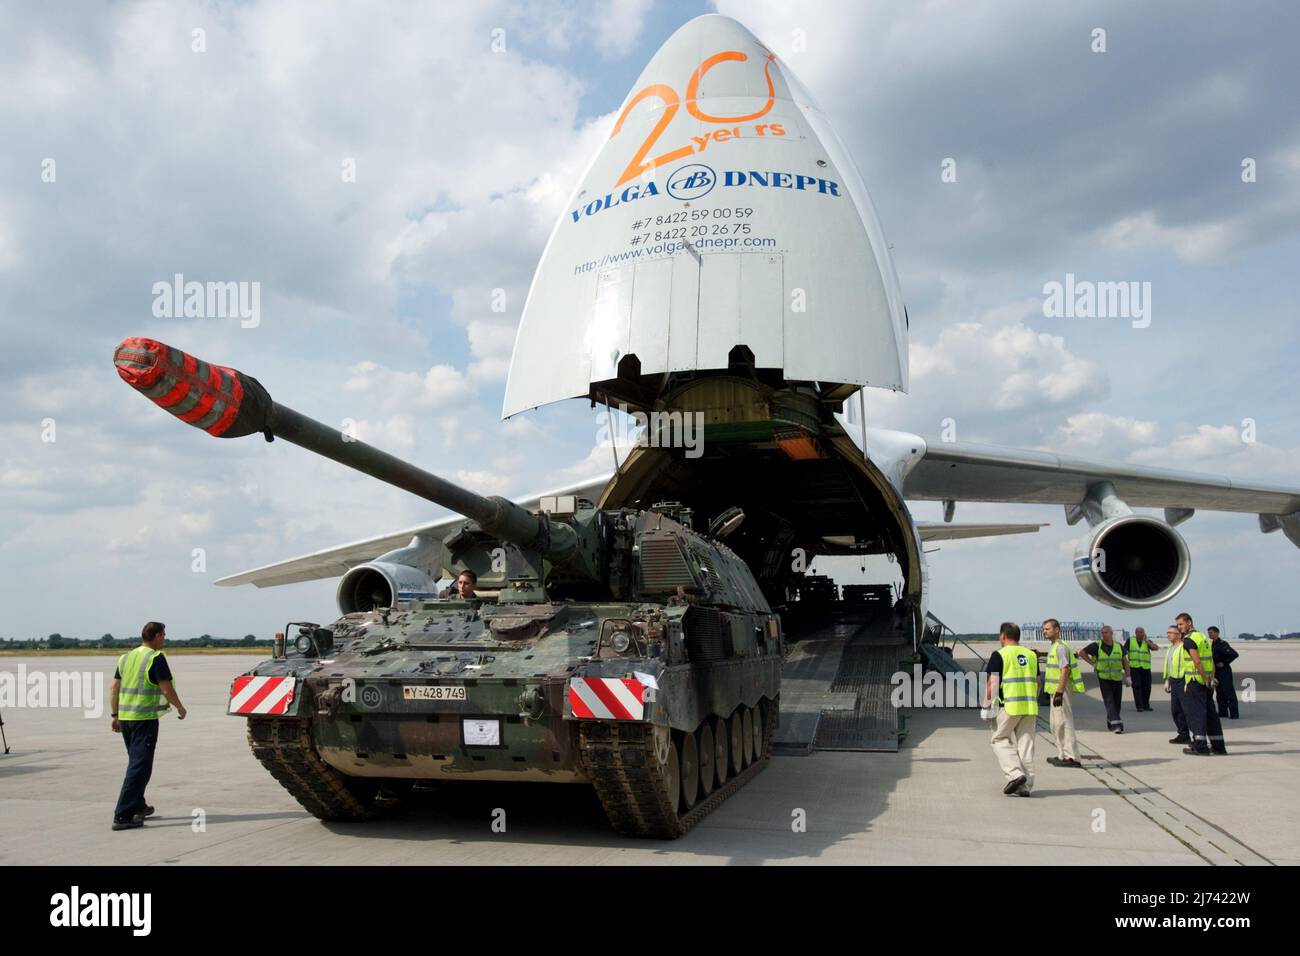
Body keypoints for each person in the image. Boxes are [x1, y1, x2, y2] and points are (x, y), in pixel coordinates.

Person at [110, 622, 187, 830]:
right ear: (157, 636)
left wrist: (115, 715)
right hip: (144, 719)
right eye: (163, 635)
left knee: (137, 763)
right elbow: (166, 687)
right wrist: (179, 707)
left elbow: (114, 687)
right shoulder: (155, 657)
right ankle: (122, 815)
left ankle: (138, 806)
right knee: (139, 766)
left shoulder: (125, 657)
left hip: (126, 719)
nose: (165, 639)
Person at [983, 622, 1037, 796]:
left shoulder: (999, 655)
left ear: (1003, 636)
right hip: (1029, 706)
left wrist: (985, 705)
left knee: (999, 739)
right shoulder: (1031, 655)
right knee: (1025, 745)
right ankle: (1025, 786)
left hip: (1009, 706)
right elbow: (1037, 682)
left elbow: (993, 682)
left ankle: (1015, 774)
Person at [1176, 613, 1226, 756]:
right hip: (1208, 682)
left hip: (1196, 682)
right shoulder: (1204, 638)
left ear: (1189, 623)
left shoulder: (1189, 640)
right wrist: (1211, 679)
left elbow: (1197, 662)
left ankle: (1200, 746)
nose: (1179, 627)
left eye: (1181, 624)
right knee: (1211, 714)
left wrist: (1204, 678)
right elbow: (1211, 660)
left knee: (1197, 715)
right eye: (1178, 625)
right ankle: (1218, 746)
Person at [1040, 618, 1083, 768]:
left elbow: (1065, 670)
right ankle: (1062, 754)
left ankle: (1072, 757)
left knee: (1064, 722)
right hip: (1055, 691)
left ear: (1057, 629)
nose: (1044, 631)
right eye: (1044, 629)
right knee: (1056, 724)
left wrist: (1059, 692)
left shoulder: (1060, 647)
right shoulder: (1054, 647)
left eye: (1047, 629)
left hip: (1061, 691)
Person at [1079, 625, 1131, 733]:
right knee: (1109, 701)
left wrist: (1128, 676)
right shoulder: (1096, 646)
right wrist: (1093, 663)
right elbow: (1082, 653)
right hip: (1104, 678)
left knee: (1117, 703)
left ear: (1111, 633)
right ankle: (1117, 724)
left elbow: (1125, 661)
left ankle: (1110, 721)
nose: (1104, 634)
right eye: (1102, 632)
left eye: (1106, 632)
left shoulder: (1118, 646)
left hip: (1117, 678)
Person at [1162, 624, 1190, 744]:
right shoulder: (1170, 648)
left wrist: (1187, 682)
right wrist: (1167, 679)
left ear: (1178, 635)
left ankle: (1195, 735)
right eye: (1167, 633)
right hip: (1173, 681)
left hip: (1183, 680)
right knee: (1176, 710)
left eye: (1171, 633)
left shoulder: (1184, 647)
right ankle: (1183, 734)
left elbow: (1189, 665)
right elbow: (1168, 665)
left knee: (1187, 709)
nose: (1168, 635)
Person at [1208, 627, 1240, 719]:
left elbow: (1234, 654)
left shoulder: (1222, 644)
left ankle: (1234, 713)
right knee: (1219, 692)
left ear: (1217, 633)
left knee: (1229, 692)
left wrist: (1224, 663)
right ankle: (1223, 712)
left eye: (1211, 632)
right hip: (1216, 671)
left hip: (1224, 671)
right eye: (1209, 633)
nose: (1210, 634)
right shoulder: (1212, 644)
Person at [1125, 626, 1158, 711]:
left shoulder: (1147, 641)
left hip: (1145, 668)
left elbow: (1155, 648)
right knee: (1137, 687)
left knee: (1147, 687)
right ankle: (1139, 706)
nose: (1140, 634)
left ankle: (1146, 705)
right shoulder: (1130, 640)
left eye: (1142, 632)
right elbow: (1124, 651)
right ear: (1135, 633)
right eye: (1139, 632)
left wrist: (1147, 641)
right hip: (1134, 667)